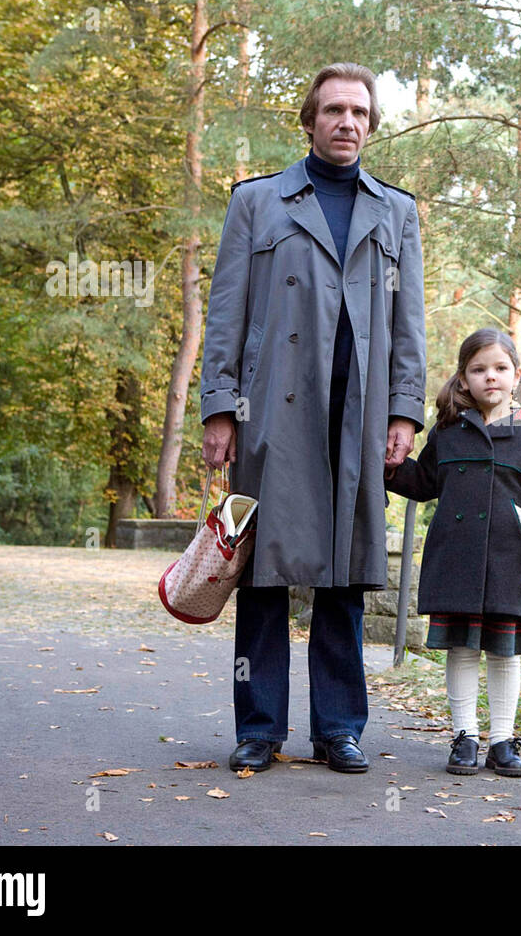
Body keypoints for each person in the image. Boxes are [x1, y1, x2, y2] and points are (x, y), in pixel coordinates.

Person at [198, 62, 427, 775]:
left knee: (345, 576)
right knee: (262, 575)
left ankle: (339, 729)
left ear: (371, 124)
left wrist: (403, 413)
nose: (347, 122)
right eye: (333, 110)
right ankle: (259, 729)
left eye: (359, 112)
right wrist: (219, 408)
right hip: (269, 412)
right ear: (309, 120)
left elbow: (409, 323)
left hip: (356, 420)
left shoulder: (396, 212)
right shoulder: (258, 203)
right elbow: (226, 311)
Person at [385, 328, 521, 776]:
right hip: (456, 559)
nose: (491, 377)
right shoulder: (448, 434)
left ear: (517, 376)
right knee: (462, 650)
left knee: (505, 653)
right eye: (479, 369)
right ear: (463, 380)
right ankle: (464, 736)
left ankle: (502, 740)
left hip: (510, 564)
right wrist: (387, 465)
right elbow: (423, 484)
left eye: (500, 368)